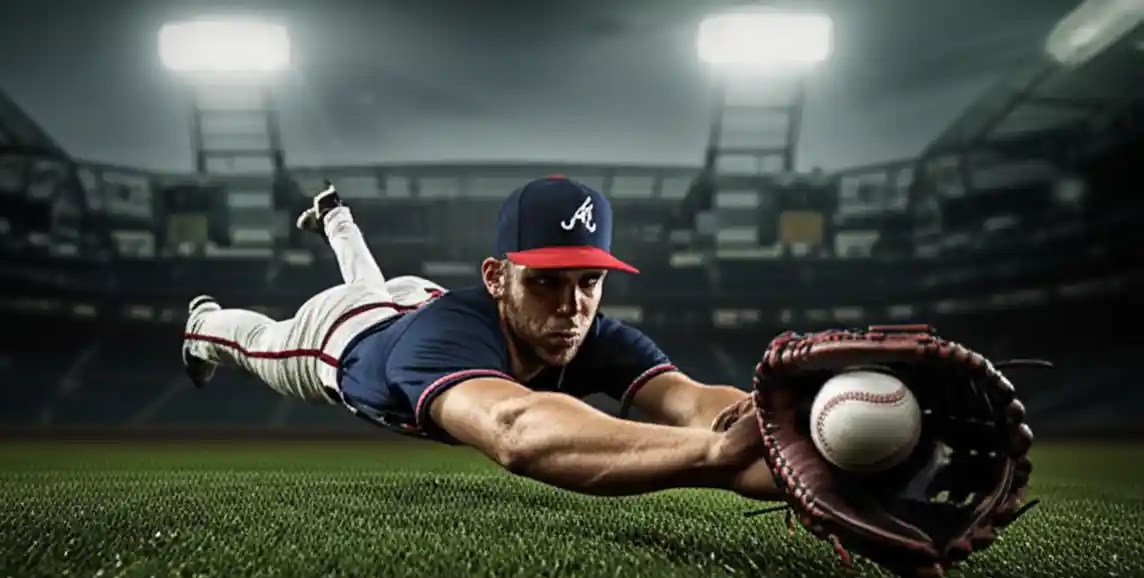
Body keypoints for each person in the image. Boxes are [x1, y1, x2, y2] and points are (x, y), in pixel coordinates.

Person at [182, 176, 780, 501]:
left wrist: (779, 434)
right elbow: (516, 432)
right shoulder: (443, 343)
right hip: (343, 334)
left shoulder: (592, 332)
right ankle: (202, 323)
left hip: (416, 295)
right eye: (546, 282)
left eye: (590, 280)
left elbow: (694, 402)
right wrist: (713, 456)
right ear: (497, 277)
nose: (573, 306)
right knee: (260, 341)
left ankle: (336, 215)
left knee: (373, 277)